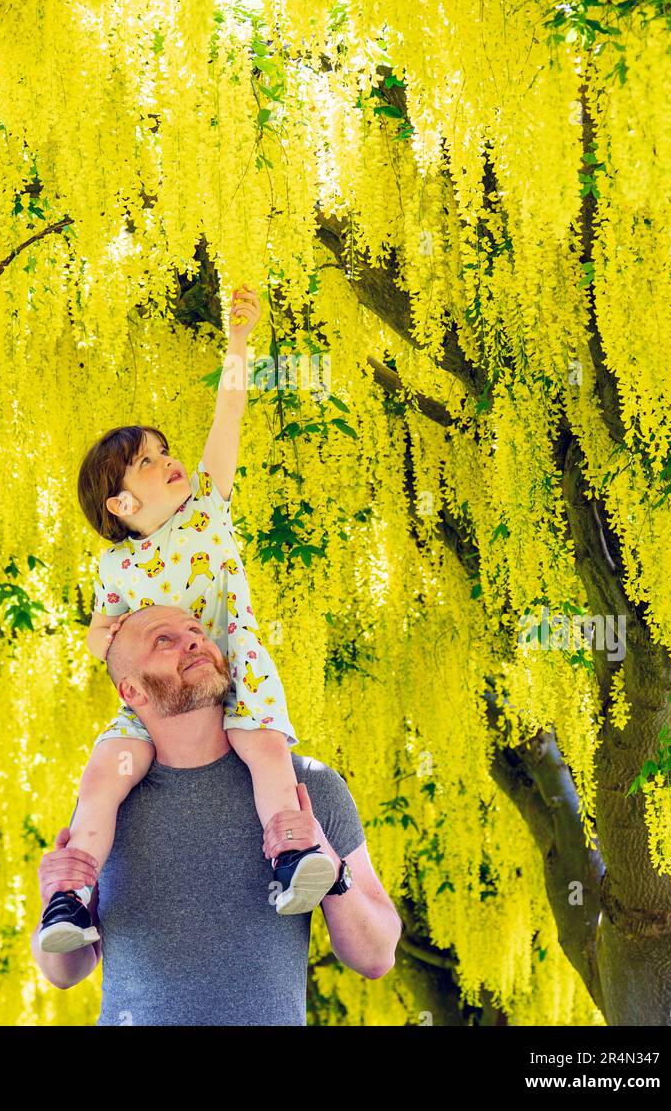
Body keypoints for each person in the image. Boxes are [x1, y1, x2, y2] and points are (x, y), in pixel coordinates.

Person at [38, 285, 337, 954]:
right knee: (107, 769)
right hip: (160, 694)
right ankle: (72, 898)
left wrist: (238, 345)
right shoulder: (113, 571)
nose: (167, 460)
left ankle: (291, 856)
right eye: (146, 461)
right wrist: (96, 639)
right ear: (118, 501)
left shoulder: (208, 506)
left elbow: (228, 415)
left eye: (162, 449)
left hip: (237, 660)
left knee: (265, 753)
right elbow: (105, 642)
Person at [31, 603, 403, 1025]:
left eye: (196, 630)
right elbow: (64, 972)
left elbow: (376, 957)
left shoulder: (305, 787)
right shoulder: (107, 803)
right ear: (132, 692)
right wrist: (54, 902)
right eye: (163, 640)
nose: (193, 640)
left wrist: (332, 867)